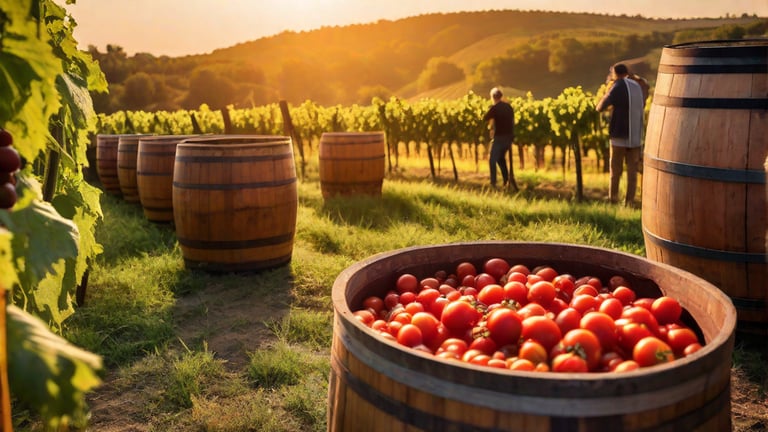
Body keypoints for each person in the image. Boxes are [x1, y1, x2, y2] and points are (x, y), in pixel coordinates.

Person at [596, 63, 645, 206]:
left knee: (615, 171)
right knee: (632, 173)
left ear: (615, 74)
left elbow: (600, 107)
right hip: (636, 137)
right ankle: (629, 202)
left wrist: (608, 93)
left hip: (619, 137)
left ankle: (613, 200)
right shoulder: (637, 86)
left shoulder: (617, 86)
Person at [483, 87, 515, 189]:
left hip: (499, 138)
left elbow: (485, 118)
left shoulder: (495, 108)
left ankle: (493, 182)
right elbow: (513, 121)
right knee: (501, 159)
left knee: (492, 160)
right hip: (509, 138)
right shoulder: (509, 107)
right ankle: (506, 181)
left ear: (493, 97)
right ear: (501, 96)